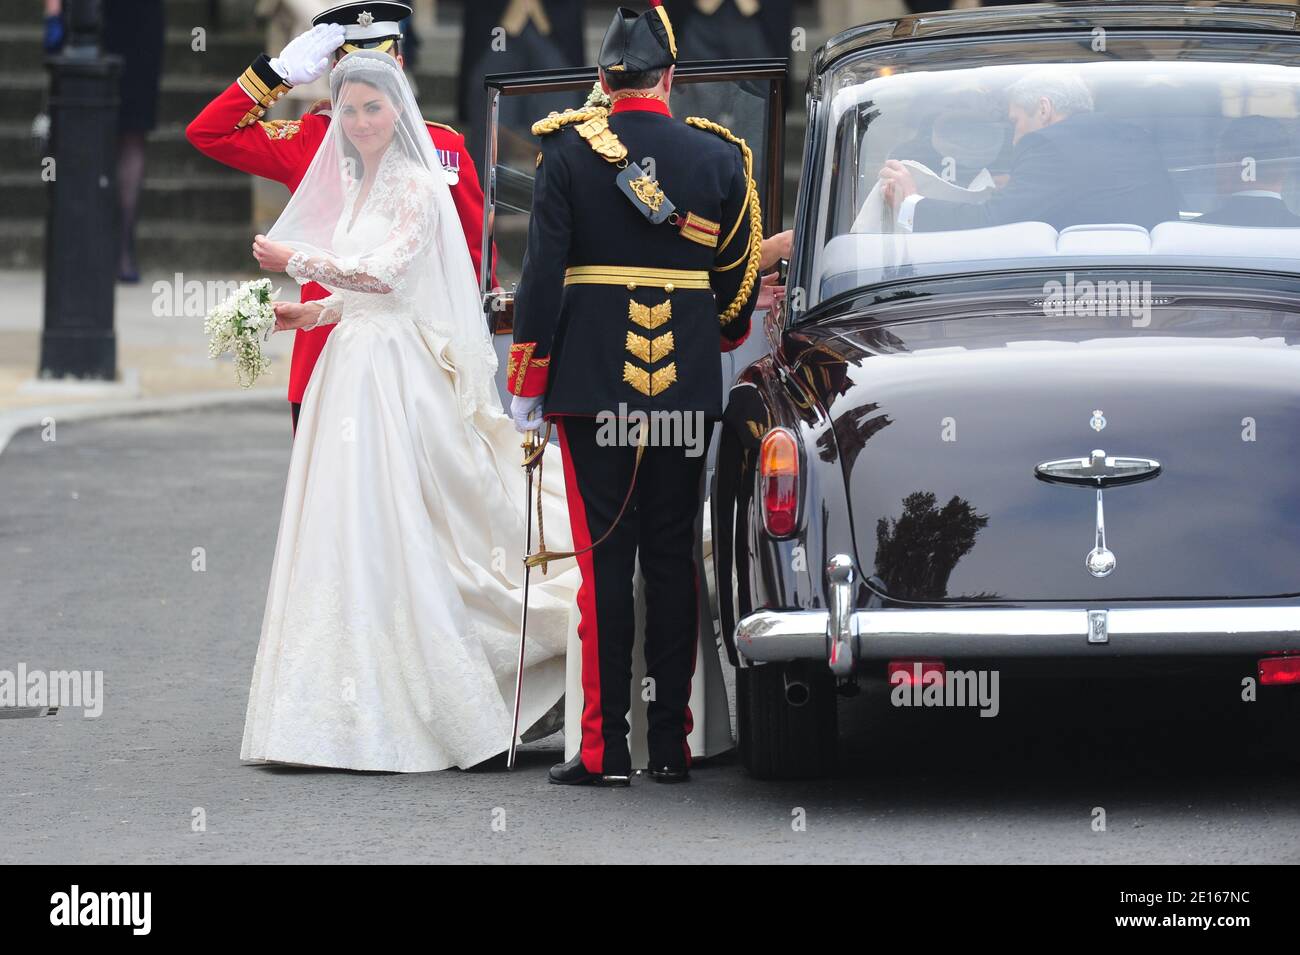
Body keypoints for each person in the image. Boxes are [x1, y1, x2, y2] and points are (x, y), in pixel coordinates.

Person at [238, 49, 580, 772]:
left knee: (396, 516)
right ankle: (325, 708)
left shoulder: (421, 184)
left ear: (399, 110)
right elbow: (365, 291)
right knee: (340, 522)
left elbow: (390, 272)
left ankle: (428, 693)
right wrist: (304, 315)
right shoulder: (359, 186)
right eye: (350, 109)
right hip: (351, 363)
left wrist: (298, 259)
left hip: (393, 371)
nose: (361, 122)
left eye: (373, 107)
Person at [508, 2, 763, 785]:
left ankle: (605, 748)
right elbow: (733, 306)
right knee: (671, 558)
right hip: (684, 388)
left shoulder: (565, 153)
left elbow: (541, 279)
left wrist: (528, 380)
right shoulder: (721, 160)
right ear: (671, 78)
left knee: (603, 566)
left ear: (603, 80)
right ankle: (673, 747)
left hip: (591, 390)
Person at [186, 2, 492, 433]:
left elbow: (474, 253)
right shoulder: (311, 140)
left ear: (399, 67)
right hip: (324, 354)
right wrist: (278, 75)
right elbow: (207, 132)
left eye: (380, 71)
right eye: (351, 77)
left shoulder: (443, 150)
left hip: (416, 354)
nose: (362, 111)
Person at [880, 68, 1182, 232]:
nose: (1015, 138)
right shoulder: (1135, 136)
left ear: (1043, 108)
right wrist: (1021, 188)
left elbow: (992, 224)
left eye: (1016, 121)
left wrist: (910, 204)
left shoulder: (1048, 144)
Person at [1196, 115, 1300, 227]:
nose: (1215, 170)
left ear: (1228, 162)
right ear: (1285, 167)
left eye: (1217, 161)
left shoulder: (1190, 233)